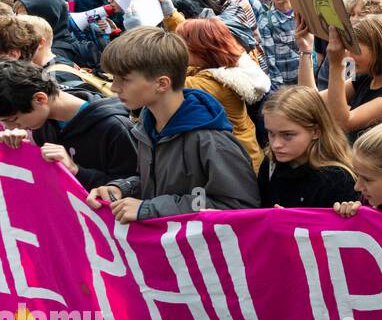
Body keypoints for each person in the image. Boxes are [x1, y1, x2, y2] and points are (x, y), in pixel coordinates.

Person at [86, 28, 258, 221]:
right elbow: (159, 184)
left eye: (124, 79)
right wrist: (123, 188)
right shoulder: (146, 126)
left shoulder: (212, 141)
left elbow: (238, 205)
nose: (113, 87)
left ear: (162, 84)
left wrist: (151, 208)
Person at [0, 59, 136, 190]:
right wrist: (21, 145)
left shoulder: (114, 127)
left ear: (40, 99)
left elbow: (137, 188)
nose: (10, 127)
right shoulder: (43, 122)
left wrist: (75, 170)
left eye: (13, 119)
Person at [297, 15, 382, 142]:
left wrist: (337, 64)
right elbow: (310, 100)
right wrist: (305, 50)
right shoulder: (366, 78)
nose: (348, 55)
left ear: (379, 49)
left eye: (355, 49)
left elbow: (342, 123)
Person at [178, 17, 271, 171]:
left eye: (182, 46)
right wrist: (171, 15)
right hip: (246, 153)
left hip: (240, 164)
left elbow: (166, 85)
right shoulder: (231, 64)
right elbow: (194, 35)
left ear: (200, 49)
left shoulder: (213, 84)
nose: (179, 49)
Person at [257, 85, 357, 208]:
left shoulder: (339, 178)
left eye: (287, 135)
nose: (275, 144)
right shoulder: (270, 165)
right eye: (271, 133)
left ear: (315, 131)